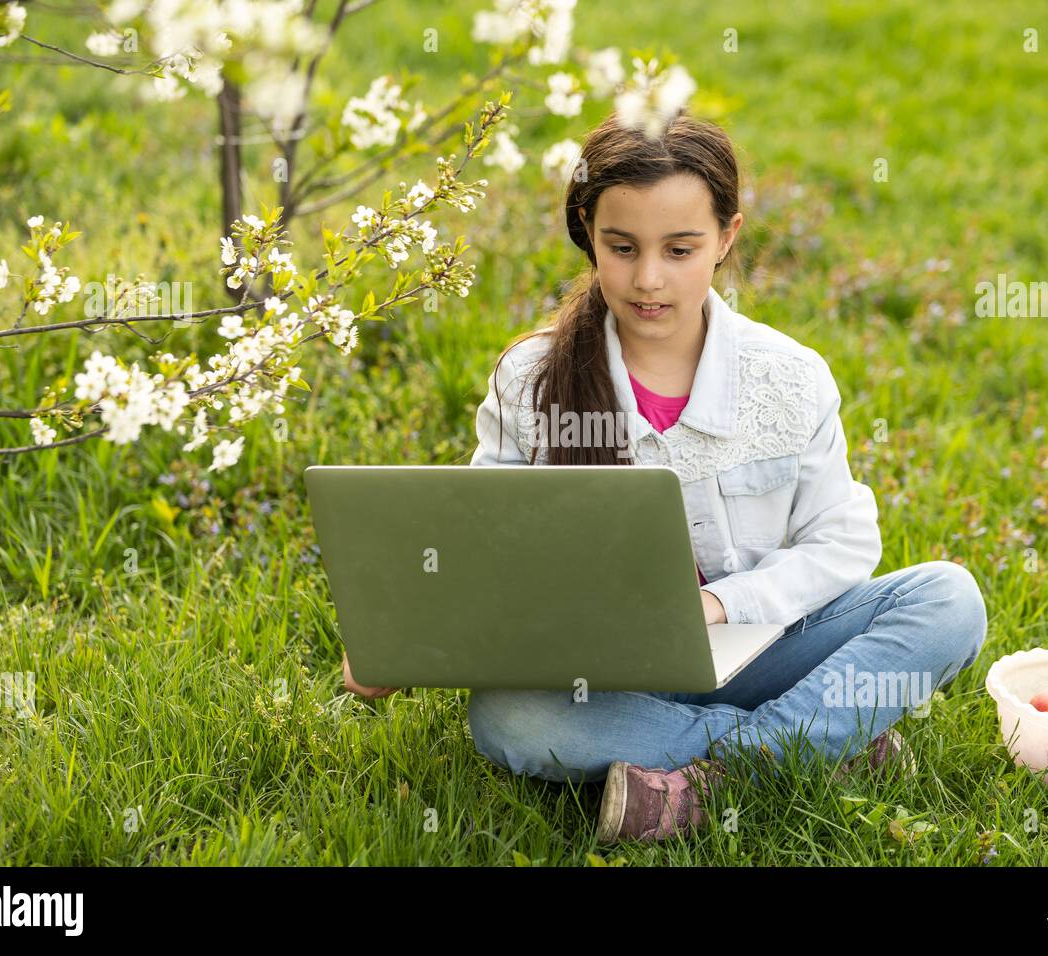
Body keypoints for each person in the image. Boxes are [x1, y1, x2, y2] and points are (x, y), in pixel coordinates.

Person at [343, 108, 988, 845]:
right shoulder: (530, 378)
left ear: (726, 239)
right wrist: (407, 639)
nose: (649, 279)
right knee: (509, 719)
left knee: (949, 599)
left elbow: (840, 542)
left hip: (763, 647)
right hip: (602, 675)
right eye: (622, 248)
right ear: (589, 234)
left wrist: (716, 606)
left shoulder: (789, 376)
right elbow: (483, 540)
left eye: (680, 249)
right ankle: (824, 743)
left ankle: (719, 775)